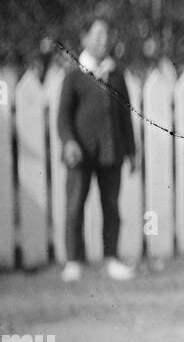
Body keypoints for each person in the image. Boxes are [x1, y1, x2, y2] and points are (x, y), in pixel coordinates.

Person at [57, 17, 138, 282]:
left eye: (107, 35)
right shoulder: (74, 74)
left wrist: (132, 151)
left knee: (111, 207)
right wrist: (69, 142)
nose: (103, 40)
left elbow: (126, 114)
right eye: (97, 34)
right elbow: (63, 117)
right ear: (84, 39)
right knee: (75, 205)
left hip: (111, 151)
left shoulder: (116, 73)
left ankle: (111, 259)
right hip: (80, 153)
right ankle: (73, 261)